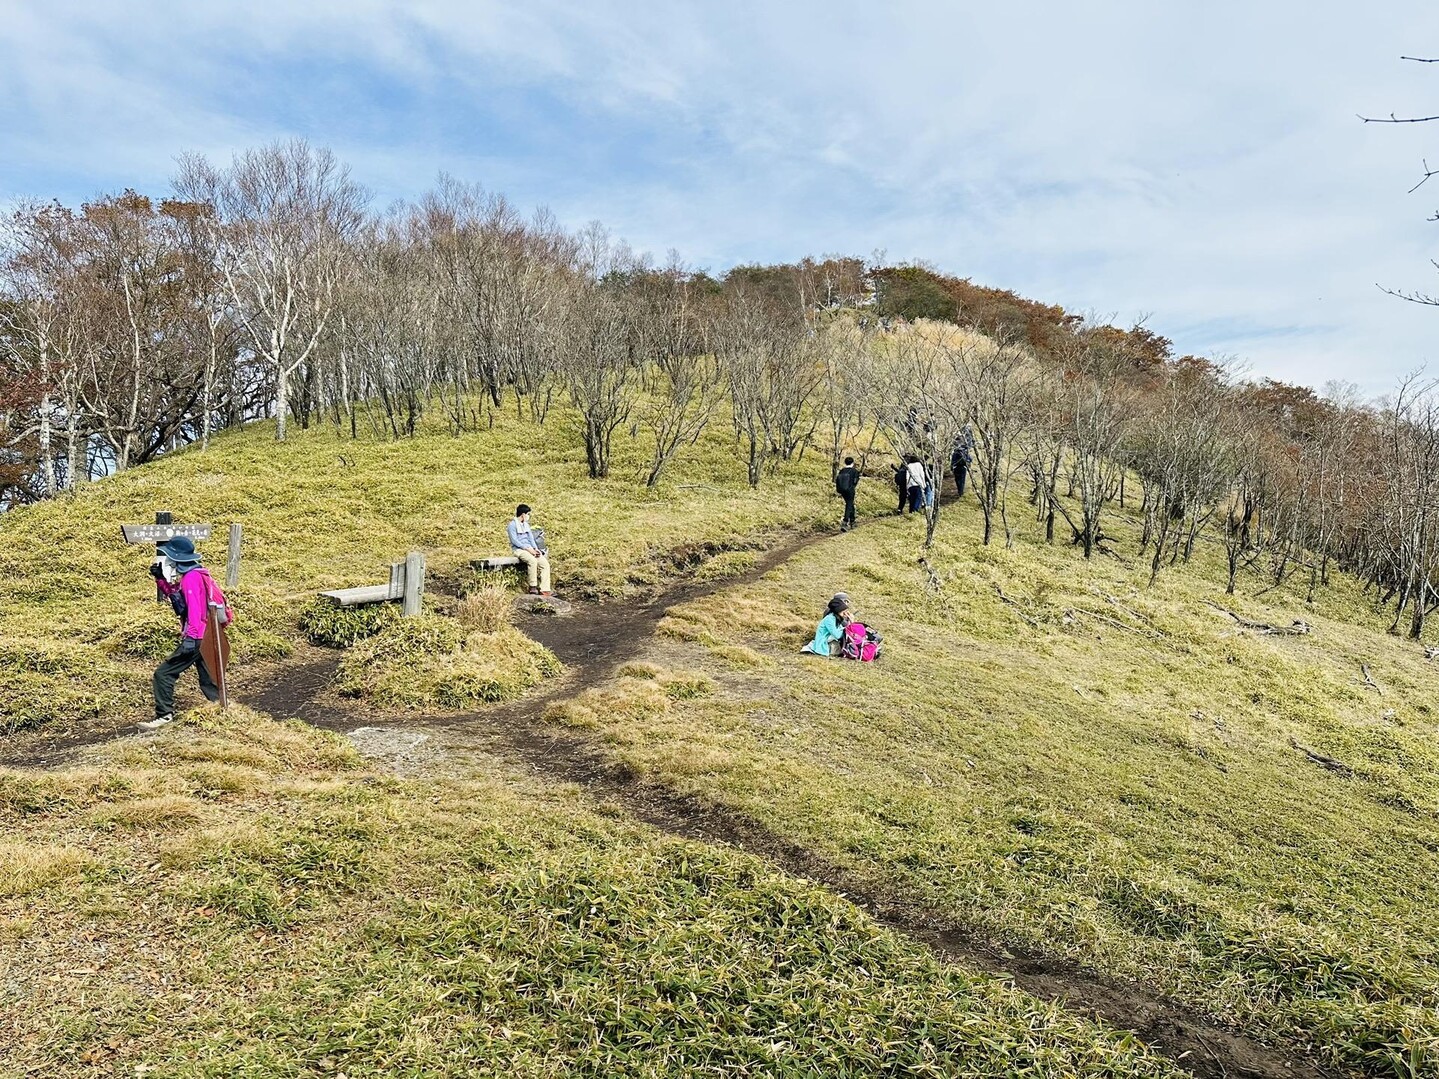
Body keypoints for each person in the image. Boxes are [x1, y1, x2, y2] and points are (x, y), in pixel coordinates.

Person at [140, 536, 224, 731]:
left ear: (177, 558)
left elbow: (195, 611)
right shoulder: (197, 574)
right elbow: (179, 603)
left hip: (197, 636)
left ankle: (164, 715)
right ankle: (222, 711)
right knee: (207, 679)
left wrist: (191, 638)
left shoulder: (192, 578)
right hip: (208, 634)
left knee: (163, 674)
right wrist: (161, 580)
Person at [507, 503, 552, 596]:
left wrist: (536, 549)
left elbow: (531, 538)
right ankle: (533, 586)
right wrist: (528, 549)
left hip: (530, 548)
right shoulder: (512, 525)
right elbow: (514, 541)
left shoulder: (526, 525)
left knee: (544, 563)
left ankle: (545, 588)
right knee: (532, 561)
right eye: (528, 514)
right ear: (523, 514)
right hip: (519, 550)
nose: (528, 516)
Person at [834, 457, 861, 531]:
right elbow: (855, 482)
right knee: (849, 505)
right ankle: (845, 522)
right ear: (853, 463)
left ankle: (852, 521)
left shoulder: (842, 471)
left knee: (850, 504)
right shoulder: (854, 471)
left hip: (842, 490)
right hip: (850, 490)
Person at [950, 428, 973, 497]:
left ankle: (959, 490)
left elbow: (952, 460)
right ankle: (961, 491)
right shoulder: (965, 451)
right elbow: (970, 459)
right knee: (962, 480)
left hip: (956, 467)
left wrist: (951, 466)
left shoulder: (955, 452)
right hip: (963, 467)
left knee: (957, 480)